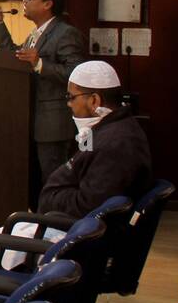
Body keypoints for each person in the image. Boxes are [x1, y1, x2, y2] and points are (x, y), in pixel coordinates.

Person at [0, 0, 86, 201]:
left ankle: (55, 228)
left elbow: (76, 74)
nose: (25, 0)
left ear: (47, 4)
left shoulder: (65, 33)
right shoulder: (37, 33)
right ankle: (41, 224)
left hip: (54, 124)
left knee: (53, 183)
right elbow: (17, 58)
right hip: (34, 121)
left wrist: (40, 64)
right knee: (37, 183)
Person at [38, 61, 153, 219]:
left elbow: (87, 208)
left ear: (94, 101)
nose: (69, 104)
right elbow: (77, 166)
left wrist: (53, 197)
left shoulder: (116, 144)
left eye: (71, 97)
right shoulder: (104, 129)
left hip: (75, 231)